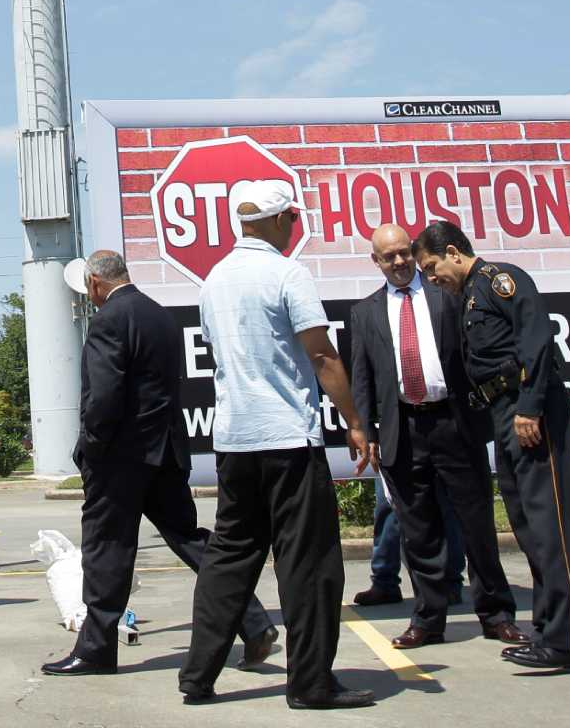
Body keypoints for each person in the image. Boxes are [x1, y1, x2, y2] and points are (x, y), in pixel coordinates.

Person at [178, 180, 375, 711]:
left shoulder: (214, 279)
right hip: (288, 436)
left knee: (229, 557)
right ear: (276, 220)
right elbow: (322, 356)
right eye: (290, 217)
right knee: (309, 564)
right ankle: (310, 684)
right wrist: (355, 420)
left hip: (235, 439)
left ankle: (197, 676)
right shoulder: (287, 273)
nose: (294, 225)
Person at [40, 251, 276, 678]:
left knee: (106, 550)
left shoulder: (109, 319)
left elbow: (104, 396)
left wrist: (90, 448)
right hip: (163, 452)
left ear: (94, 283)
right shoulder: (159, 316)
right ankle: (253, 622)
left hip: (120, 458)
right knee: (190, 538)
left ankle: (95, 650)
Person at [415, 220, 570, 672]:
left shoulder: (500, 281)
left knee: (550, 527)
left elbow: (536, 343)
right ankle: (548, 630)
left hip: (532, 412)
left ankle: (568, 642)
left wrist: (530, 408)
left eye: (433, 268)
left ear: (454, 252)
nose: (433, 278)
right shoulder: (469, 295)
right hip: (504, 414)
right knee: (528, 526)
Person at [346, 225, 523, 652]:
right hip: (402, 431)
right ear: (377, 262)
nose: (400, 262)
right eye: (389, 257)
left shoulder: (449, 294)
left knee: (476, 523)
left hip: (455, 423)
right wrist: (365, 430)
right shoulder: (364, 313)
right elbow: (363, 379)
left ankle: (496, 613)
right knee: (418, 531)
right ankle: (428, 619)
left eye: (405, 253)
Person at [361, 473, 466, 611]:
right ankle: (385, 583)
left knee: (442, 502)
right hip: (391, 453)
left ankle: (450, 583)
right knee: (387, 505)